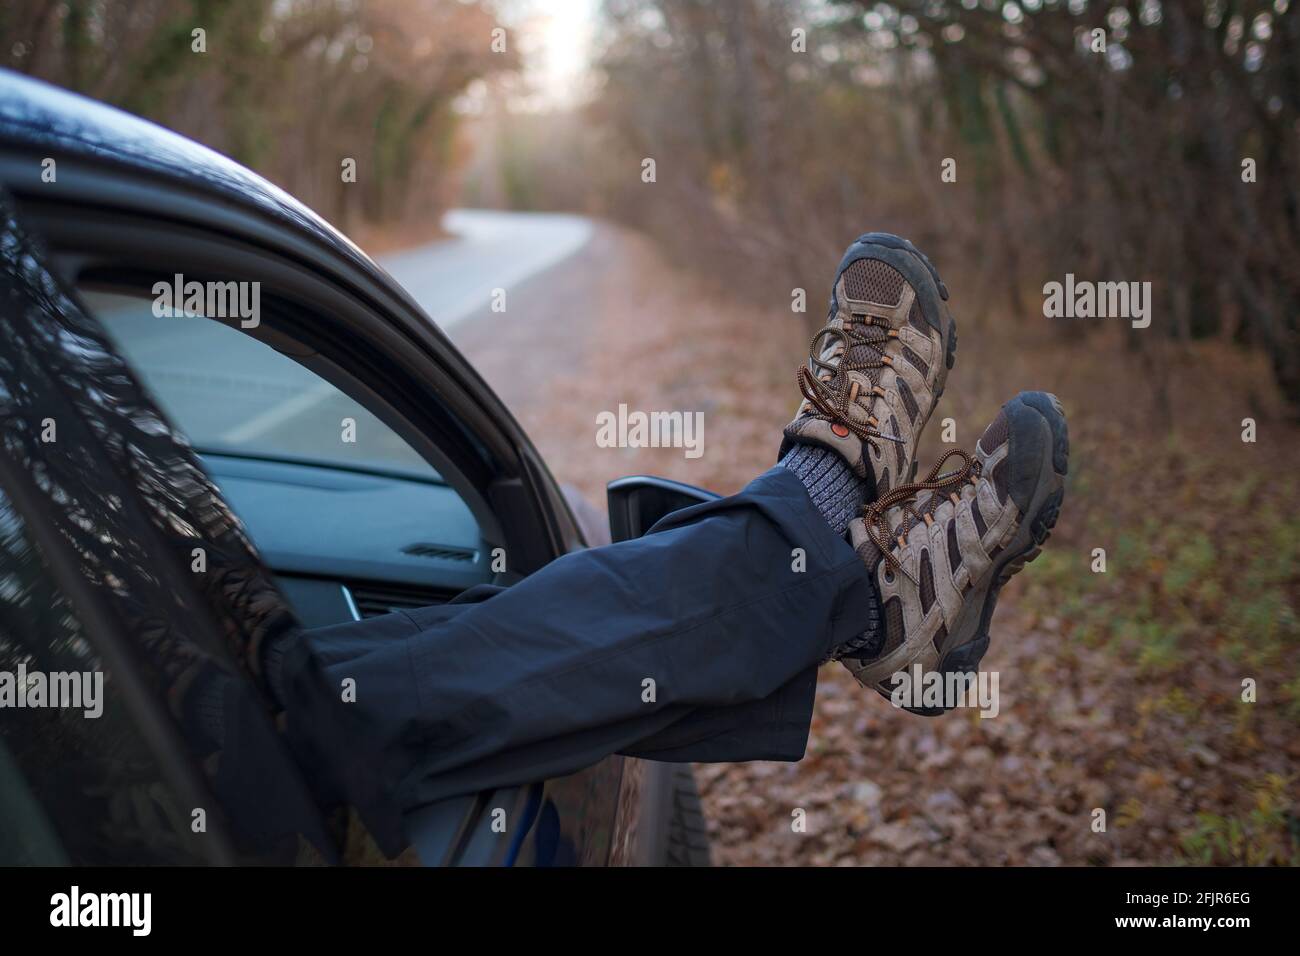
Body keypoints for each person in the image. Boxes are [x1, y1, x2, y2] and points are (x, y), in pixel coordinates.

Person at [199, 232, 1069, 854]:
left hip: (178, 724)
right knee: (350, 702)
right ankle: (846, 543)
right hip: (189, 768)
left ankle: (851, 570)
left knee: (378, 664)